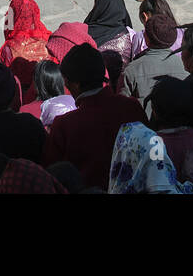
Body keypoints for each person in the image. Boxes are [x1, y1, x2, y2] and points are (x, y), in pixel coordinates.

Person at [43, 44, 146, 189]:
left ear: (76, 84)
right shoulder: (132, 107)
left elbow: (53, 176)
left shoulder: (64, 125)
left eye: (67, 83)